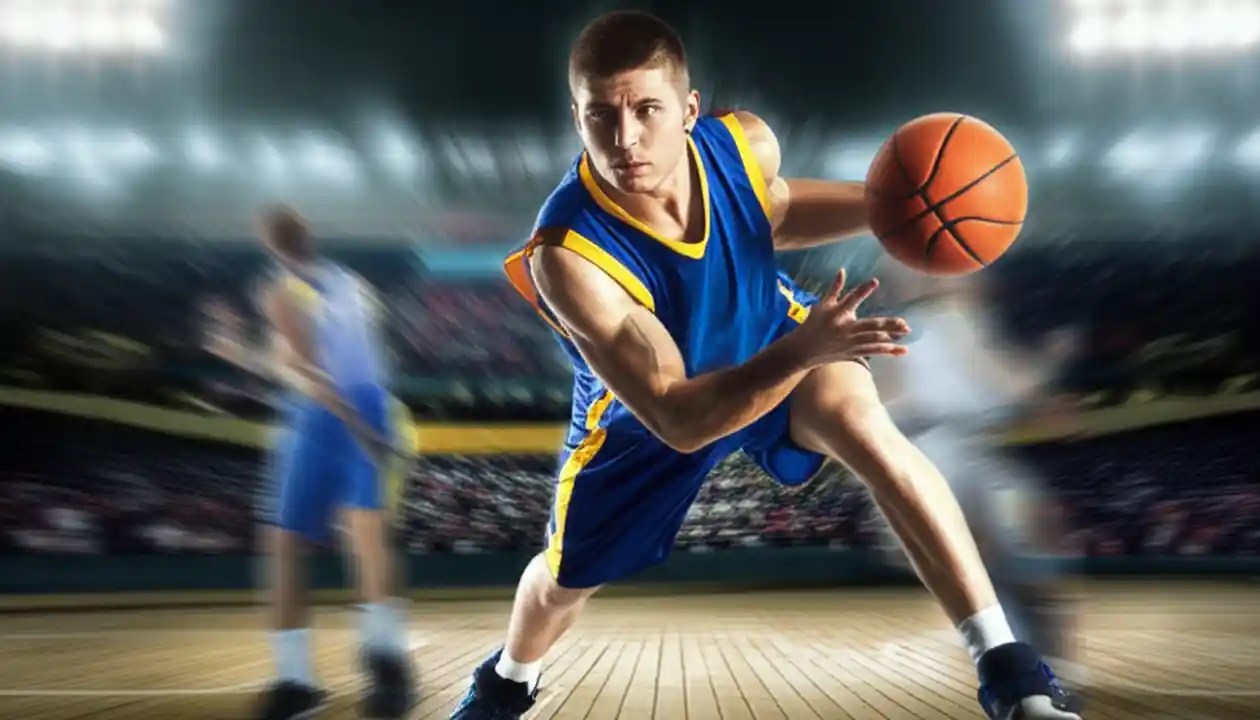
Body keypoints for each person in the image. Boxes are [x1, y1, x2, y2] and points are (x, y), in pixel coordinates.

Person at [455, 11, 1083, 720]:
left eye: (646, 110)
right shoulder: (568, 256)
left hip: (765, 334)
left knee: (869, 431)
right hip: (647, 416)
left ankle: (1011, 674)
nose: (625, 137)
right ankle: (508, 679)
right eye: (602, 115)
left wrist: (899, 208)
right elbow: (680, 417)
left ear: (690, 110)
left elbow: (771, 213)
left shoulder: (742, 144)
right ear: (578, 118)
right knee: (564, 583)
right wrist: (803, 351)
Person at [207, 206, 418, 720]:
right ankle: (387, 663)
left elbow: (304, 371)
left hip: (327, 415)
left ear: (269, 241)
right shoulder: (351, 283)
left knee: (284, 545)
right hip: (370, 404)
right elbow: (341, 359)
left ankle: (297, 683)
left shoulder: (277, 290)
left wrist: (238, 352)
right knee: (366, 540)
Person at [867, 261, 1088, 692]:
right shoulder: (936, 321)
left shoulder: (922, 324)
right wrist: (1054, 360)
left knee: (1005, 559)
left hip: (946, 452)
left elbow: (1000, 389)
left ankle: (1032, 663)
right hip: (940, 452)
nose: (978, 277)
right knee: (1018, 554)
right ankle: (1038, 666)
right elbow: (1005, 386)